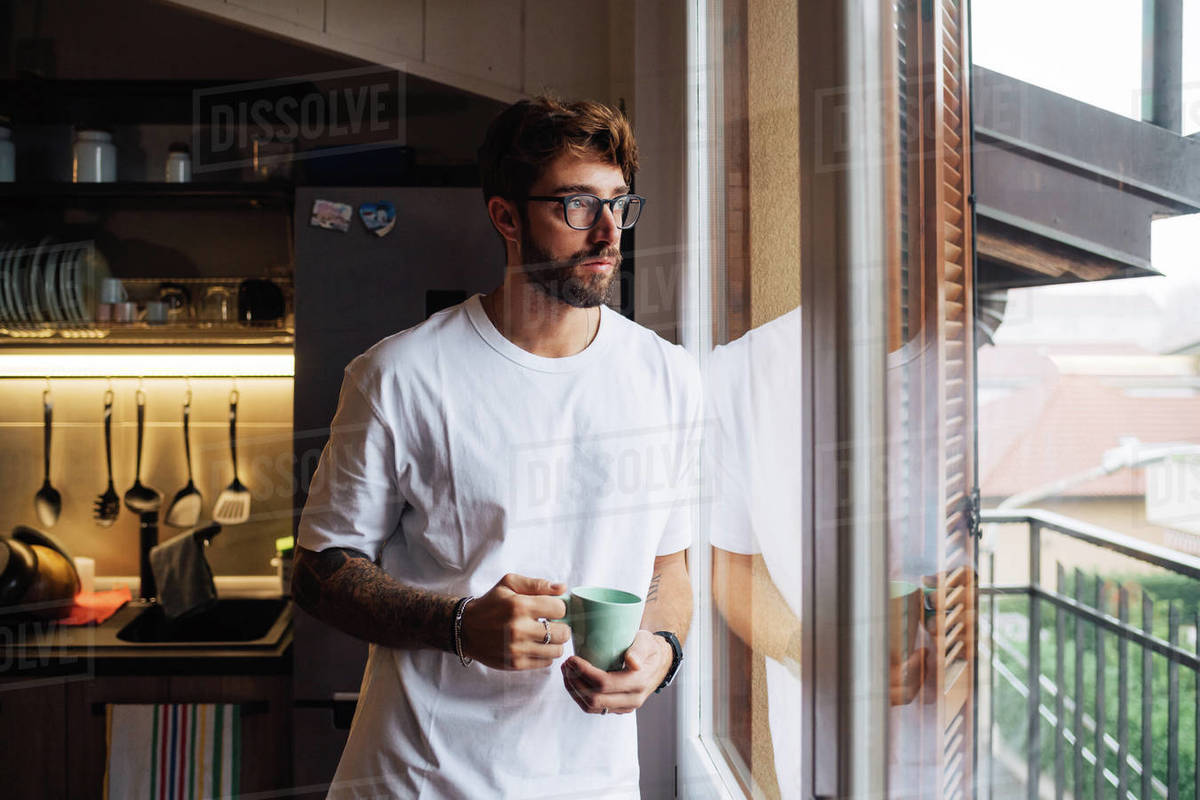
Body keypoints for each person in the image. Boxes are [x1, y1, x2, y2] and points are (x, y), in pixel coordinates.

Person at [292, 96, 700, 799]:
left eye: (619, 205)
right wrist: (455, 624)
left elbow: (670, 568)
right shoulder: (401, 375)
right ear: (506, 217)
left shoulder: (670, 378)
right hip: (420, 780)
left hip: (591, 784)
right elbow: (321, 570)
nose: (607, 232)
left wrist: (661, 652)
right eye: (576, 206)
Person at [706, 307, 932, 798]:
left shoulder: (966, 361)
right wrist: (812, 656)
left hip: (954, 752)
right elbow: (729, 567)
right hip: (819, 759)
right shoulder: (743, 374)